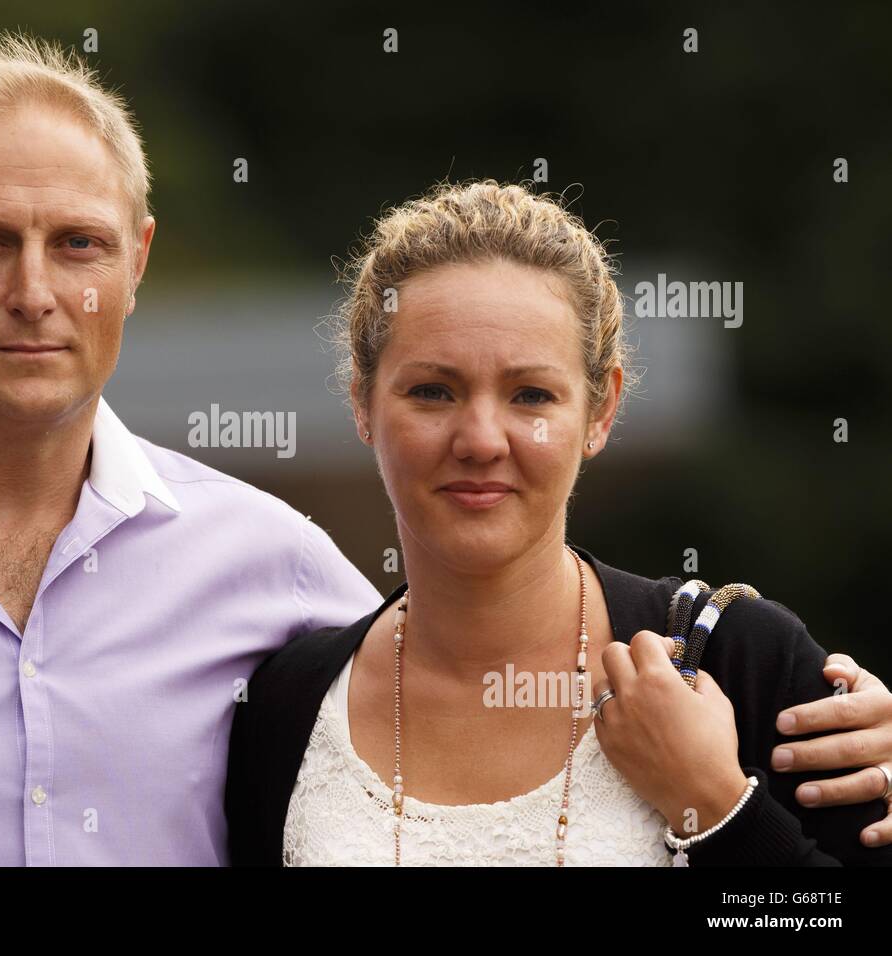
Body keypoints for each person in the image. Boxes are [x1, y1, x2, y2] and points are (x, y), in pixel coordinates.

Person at [0, 36, 890, 866]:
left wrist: (821, 763)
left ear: (138, 263)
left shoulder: (275, 582)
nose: (35, 291)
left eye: (80, 244)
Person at [225, 180, 892, 866]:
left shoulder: (740, 662)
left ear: (600, 411)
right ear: (362, 403)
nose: (481, 439)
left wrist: (718, 806)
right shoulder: (283, 704)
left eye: (531, 395)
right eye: (432, 391)